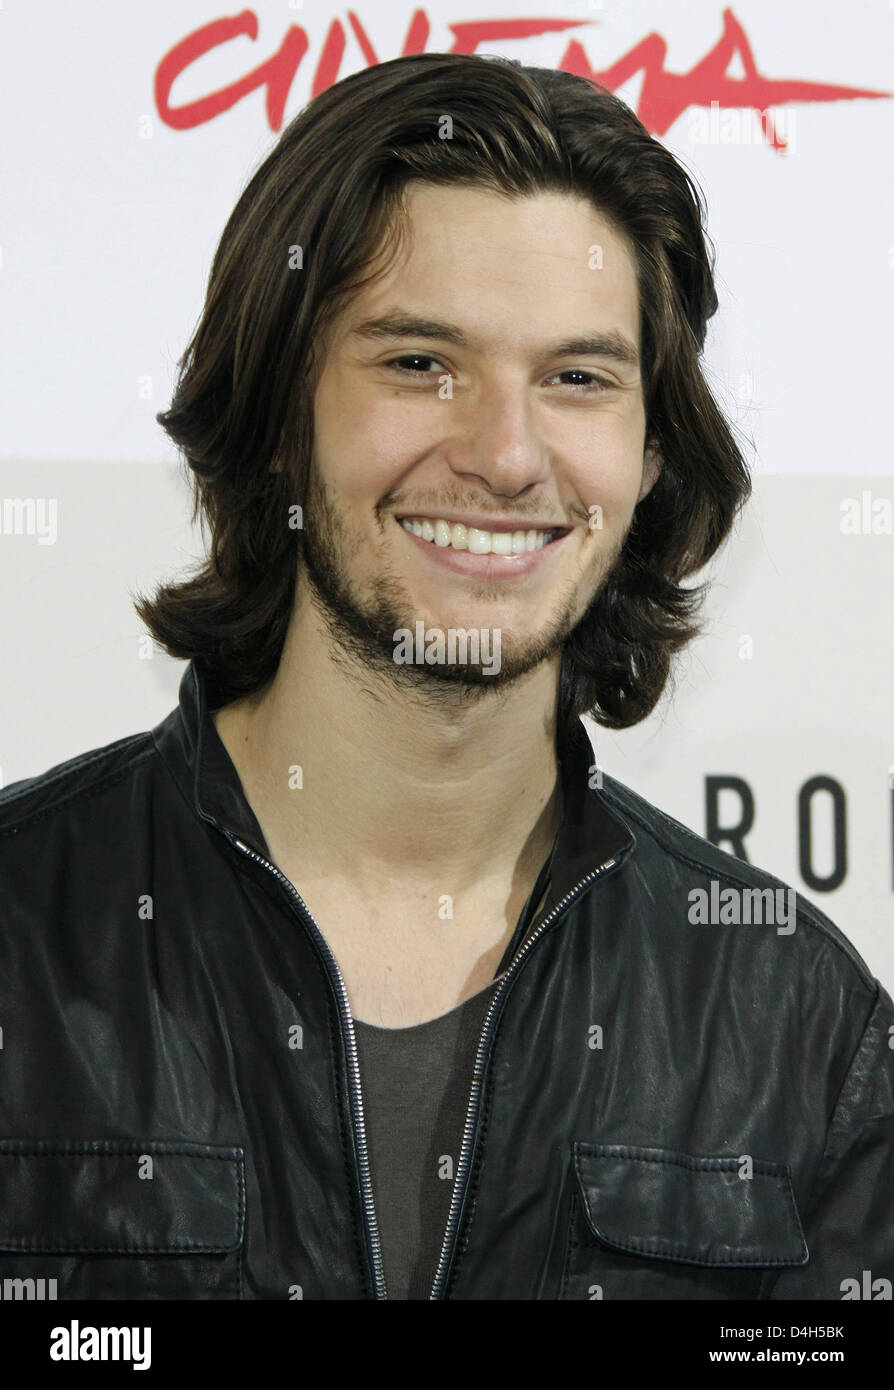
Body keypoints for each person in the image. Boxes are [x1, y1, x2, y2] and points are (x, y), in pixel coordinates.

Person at [1, 53, 891, 1302]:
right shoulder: (23, 928)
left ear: (648, 456)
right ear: (277, 416)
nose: (506, 455)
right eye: (421, 362)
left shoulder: (799, 1020)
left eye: (579, 378)